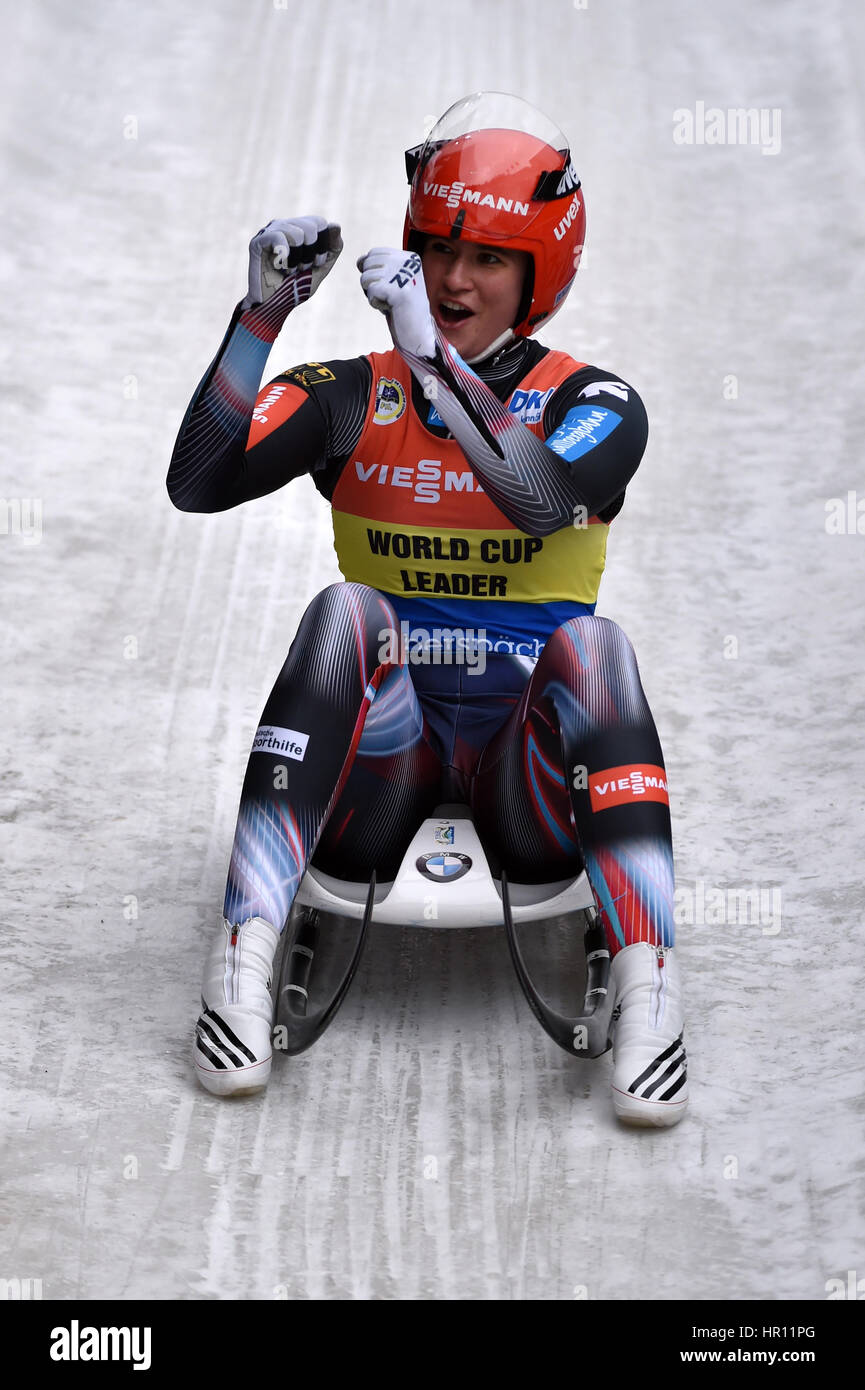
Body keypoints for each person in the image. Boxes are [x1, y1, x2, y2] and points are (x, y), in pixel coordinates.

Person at [167, 92, 688, 1126]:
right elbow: (199, 479)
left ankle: (652, 995)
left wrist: (440, 375)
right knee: (344, 608)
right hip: (385, 759)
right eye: (438, 247)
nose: (452, 280)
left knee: (595, 646)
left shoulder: (600, 402)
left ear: (539, 273)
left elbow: (539, 499)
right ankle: (240, 956)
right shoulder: (352, 393)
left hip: (523, 775)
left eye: (489, 257)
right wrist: (259, 320)